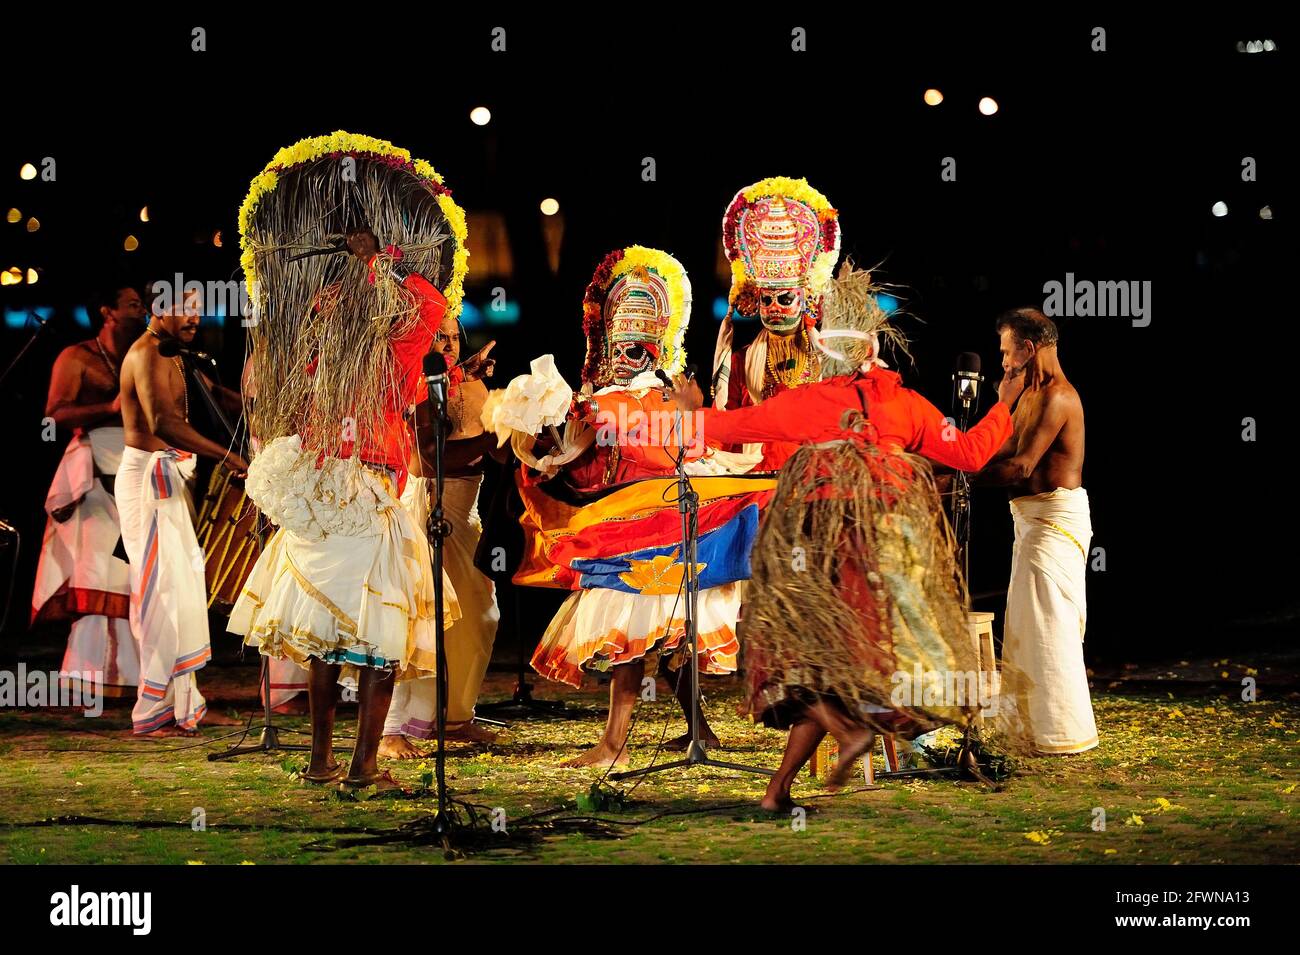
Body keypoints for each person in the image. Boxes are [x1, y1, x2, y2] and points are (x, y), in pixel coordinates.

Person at [669, 263, 1019, 809]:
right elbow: (970, 452)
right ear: (871, 346)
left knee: (808, 666)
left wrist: (693, 414)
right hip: (886, 553)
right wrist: (1004, 408)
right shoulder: (905, 403)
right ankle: (780, 789)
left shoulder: (811, 402)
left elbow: (732, 428)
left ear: (826, 349)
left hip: (820, 553)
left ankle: (845, 732)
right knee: (843, 668)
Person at [227, 134, 469, 789]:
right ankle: (357, 766)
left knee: (332, 631)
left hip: (340, 486)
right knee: (371, 639)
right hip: (352, 488)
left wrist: (372, 267)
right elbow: (422, 306)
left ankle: (326, 761)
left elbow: (416, 317)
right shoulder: (363, 332)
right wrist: (376, 267)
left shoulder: (355, 332)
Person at [496, 246, 769, 767]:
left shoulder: (642, 402)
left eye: (639, 348)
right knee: (665, 634)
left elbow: (662, 460)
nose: (628, 357)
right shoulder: (608, 404)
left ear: (656, 345)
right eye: (622, 346)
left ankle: (613, 746)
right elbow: (580, 467)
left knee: (637, 638)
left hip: (653, 532)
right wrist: (549, 452)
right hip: (641, 530)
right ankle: (699, 731)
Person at [118, 287, 247, 735]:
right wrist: (229, 457)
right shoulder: (148, 354)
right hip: (148, 480)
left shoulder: (177, 354)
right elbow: (164, 424)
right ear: (158, 311)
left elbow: (217, 397)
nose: (194, 318)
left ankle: (184, 705)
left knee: (184, 586)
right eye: (183, 310)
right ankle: (152, 707)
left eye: (197, 309)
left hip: (170, 480)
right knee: (161, 591)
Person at [380, 318, 504, 757]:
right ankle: (394, 728)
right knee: (418, 621)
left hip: (466, 517)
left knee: (477, 618)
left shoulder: (473, 387)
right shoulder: (415, 387)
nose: (449, 345)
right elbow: (419, 462)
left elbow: (496, 449)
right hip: (427, 511)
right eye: (439, 337)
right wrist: (485, 448)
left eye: (454, 337)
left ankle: (455, 718)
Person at [975, 307, 1096, 754]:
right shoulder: (1027, 394)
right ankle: (1029, 732)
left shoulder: (1058, 397)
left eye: (1007, 352)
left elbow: (1019, 467)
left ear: (1028, 349)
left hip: (1053, 520)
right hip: (1029, 521)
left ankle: (1062, 736)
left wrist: (958, 481)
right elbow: (999, 448)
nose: (1003, 362)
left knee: (1051, 624)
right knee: (1027, 621)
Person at [32, 283, 146, 699]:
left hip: (136, 473)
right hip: (94, 476)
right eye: (132, 304)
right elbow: (54, 415)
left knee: (133, 576)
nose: (141, 311)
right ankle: (90, 679)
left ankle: (131, 677)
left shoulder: (145, 354)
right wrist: (110, 408)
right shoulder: (76, 357)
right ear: (107, 311)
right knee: (99, 574)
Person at [711, 177, 842, 470]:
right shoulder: (742, 360)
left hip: (812, 474)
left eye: (784, 299)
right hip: (753, 474)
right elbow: (726, 427)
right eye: (766, 300)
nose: (774, 308)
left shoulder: (829, 358)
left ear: (805, 298)